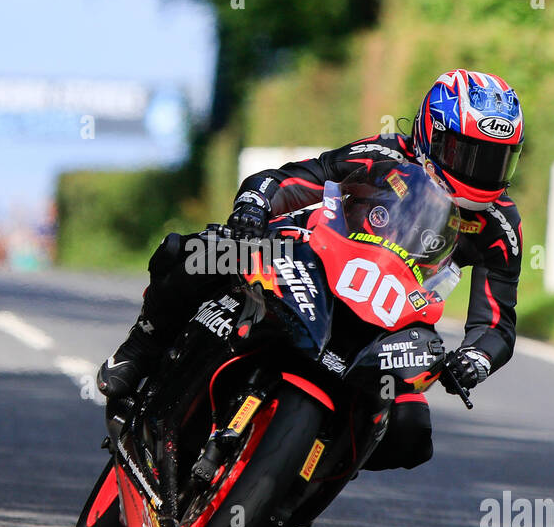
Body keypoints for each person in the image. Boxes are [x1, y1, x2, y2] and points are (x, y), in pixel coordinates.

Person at [98, 69, 525, 470]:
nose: (482, 171)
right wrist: (255, 206)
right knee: (192, 254)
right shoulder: (383, 152)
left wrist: (475, 359)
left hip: (393, 315)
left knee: (412, 434)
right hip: (313, 261)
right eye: (470, 154)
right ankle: (138, 351)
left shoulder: (500, 225)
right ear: (433, 133)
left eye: (497, 159)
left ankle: (304, 476)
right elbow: (297, 179)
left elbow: (497, 323)